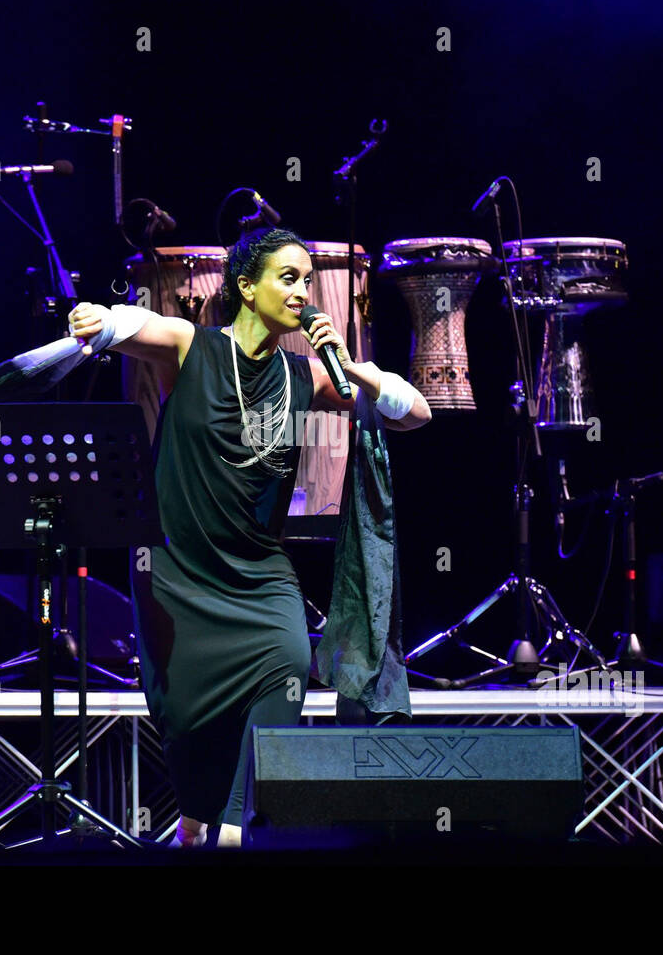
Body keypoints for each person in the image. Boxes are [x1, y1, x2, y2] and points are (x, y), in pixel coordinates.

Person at [67, 228, 431, 847]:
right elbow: (129, 327)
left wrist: (356, 369)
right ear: (245, 287)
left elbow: (416, 413)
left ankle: (235, 827)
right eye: (288, 278)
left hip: (260, 573)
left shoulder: (310, 377)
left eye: (309, 281)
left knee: (289, 661)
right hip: (177, 571)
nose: (304, 293)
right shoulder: (192, 346)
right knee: (185, 719)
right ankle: (196, 821)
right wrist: (99, 318)